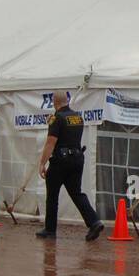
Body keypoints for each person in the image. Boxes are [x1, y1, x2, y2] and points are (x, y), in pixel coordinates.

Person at [36, 90, 103, 241]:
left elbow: (50, 143)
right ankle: (94, 222)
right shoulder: (77, 117)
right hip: (77, 159)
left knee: (52, 195)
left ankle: (50, 230)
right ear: (67, 100)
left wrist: (42, 163)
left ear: (54, 102)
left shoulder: (56, 118)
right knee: (76, 193)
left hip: (61, 161)